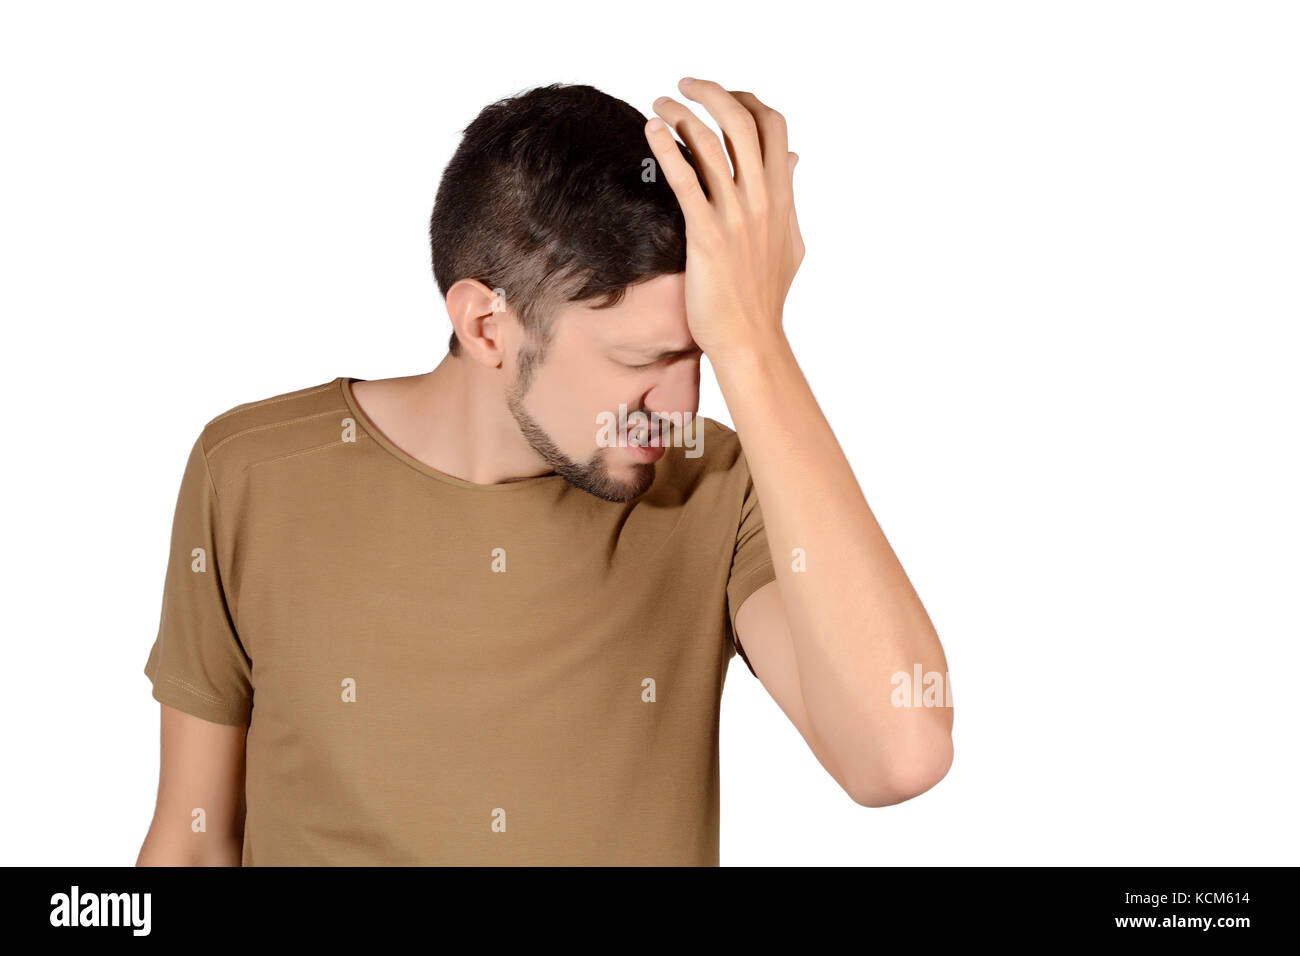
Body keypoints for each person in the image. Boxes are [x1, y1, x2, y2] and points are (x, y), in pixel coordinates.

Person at [137, 78, 953, 867]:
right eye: (644, 358)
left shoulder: (716, 486)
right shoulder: (252, 473)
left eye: (704, 353)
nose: (679, 404)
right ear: (487, 325)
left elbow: (899, 754)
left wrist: (757, 344)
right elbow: (195, 838)